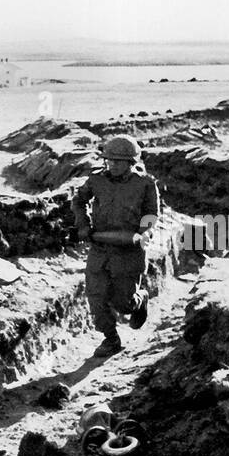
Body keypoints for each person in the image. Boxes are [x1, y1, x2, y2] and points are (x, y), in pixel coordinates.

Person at [72, 135, 159, 357]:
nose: (111, 165)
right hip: (100, 249)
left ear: (131, 163)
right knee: (96, 298)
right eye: (108, 160)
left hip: (129, 252)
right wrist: (83, 225)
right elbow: (78, 201)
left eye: (117, 162)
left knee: (123, 303)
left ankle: (140, 299)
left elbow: (151, 215)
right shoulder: (96, 180)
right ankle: (111, 340)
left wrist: (144, 232)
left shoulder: (145, 184)